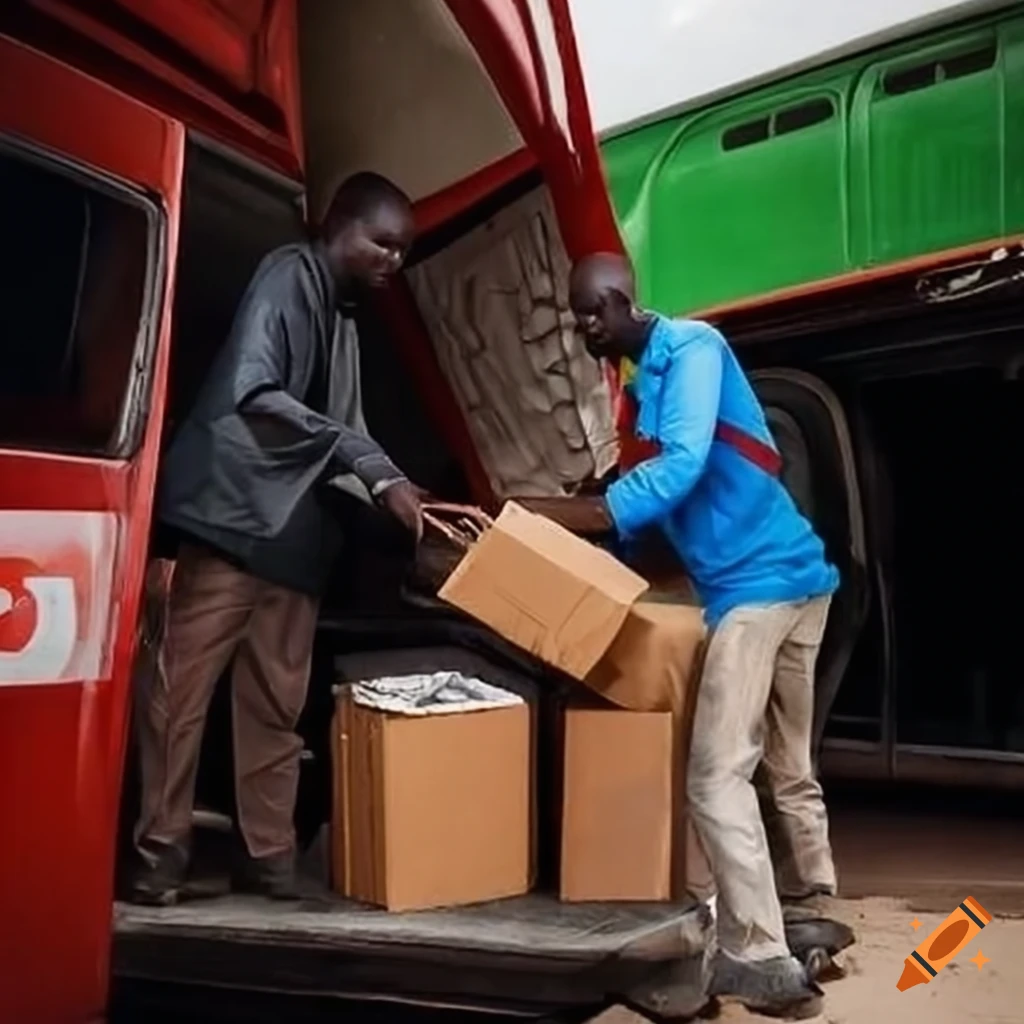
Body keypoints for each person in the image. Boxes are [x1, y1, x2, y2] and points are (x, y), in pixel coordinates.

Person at [521, 253, 841, 1018]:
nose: (583, 330)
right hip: (795, 580)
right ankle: (818, 903)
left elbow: (686, 465)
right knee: (787, 765)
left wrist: (577, 513)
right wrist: (594, 523)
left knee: (715, 774)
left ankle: (761, 955)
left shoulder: (694, 348)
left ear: (622, 301)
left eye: (590, 315)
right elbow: (650, 503)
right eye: (576, 319)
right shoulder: (637, 397)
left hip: (761, 589)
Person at [132, 172, 422, 905]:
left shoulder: (346, 318)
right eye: (381, 241)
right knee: (181, 693)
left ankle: (269, 855)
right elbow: (256, 392)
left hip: (295, 543)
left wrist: (403, 495)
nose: (392, 259)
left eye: (402, 250)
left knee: (268, 707)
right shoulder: (289, 272)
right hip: (234, 524)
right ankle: (162, 852)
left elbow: (351, 439)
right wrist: (373, 467)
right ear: (337, 224)